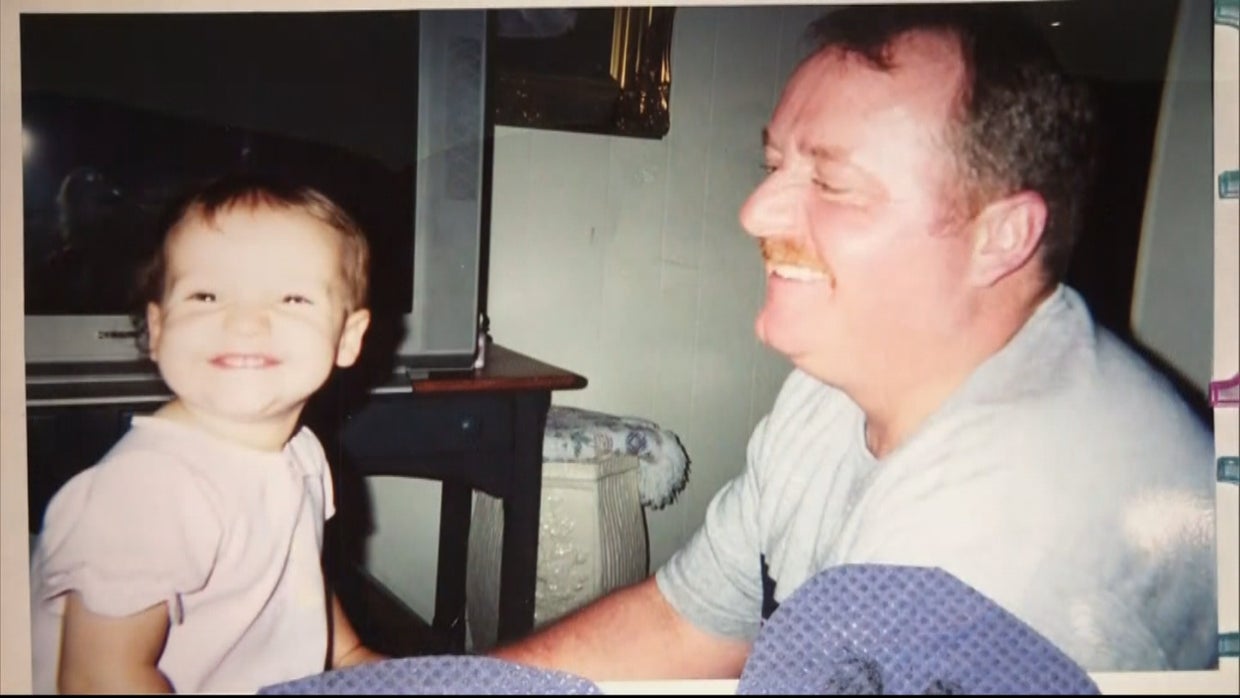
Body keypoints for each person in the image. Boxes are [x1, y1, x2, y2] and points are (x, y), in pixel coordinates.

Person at [490, 3, 1217, 678]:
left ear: (1002, 237)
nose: (754, 212)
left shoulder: (1012, 525)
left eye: (832, 183)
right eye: (775, 166)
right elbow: (687, 624)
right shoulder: (839, 387)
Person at [29, 174, 385, 693]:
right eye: (206, 295)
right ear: (157, 329)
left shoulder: (300, 452)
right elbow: (98, 679)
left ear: (347, 338)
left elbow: (294, 576)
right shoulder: (148, 490)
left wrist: (350, 655)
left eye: (291, 299)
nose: (243, 322)